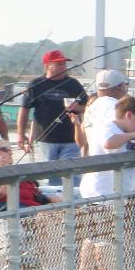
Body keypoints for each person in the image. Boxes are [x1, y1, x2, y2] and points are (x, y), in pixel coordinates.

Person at [17, 50, 88, 183]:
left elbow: (87, 107)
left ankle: (71, 204)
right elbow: (24, 110)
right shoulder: (35, 84)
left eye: (64, 64)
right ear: (48, 65)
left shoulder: (74, 84)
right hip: (44, 140)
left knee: (71, 179)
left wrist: (76, 107)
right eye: (59, 64)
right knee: (48, 180)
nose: (63, 67)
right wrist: (21, 134)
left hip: (71, 140)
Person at [79, 96, 135, 199]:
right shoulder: (107, 126)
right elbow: (109, 143)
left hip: (118, 192)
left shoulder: (125, 132)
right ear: (129, 115)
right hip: (100, 192)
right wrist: (134, 135)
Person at [0, 138, 59, 212]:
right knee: (44, 216)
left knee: (66, 204)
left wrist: (49, 199)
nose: (11, 152)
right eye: (5, 149)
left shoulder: (12, 170)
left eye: (10, 149)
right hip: (2, 213)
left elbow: (33, 191)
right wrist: (2, 170)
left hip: (30, 207)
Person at [77, 69, 129, 156]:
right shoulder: (114, 107)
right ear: (119, 87)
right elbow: (114, 136)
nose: (126, 87)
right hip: (113, 164)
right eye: (125, 84)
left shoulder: (91, 107)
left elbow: (82, 140)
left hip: (96, 161)